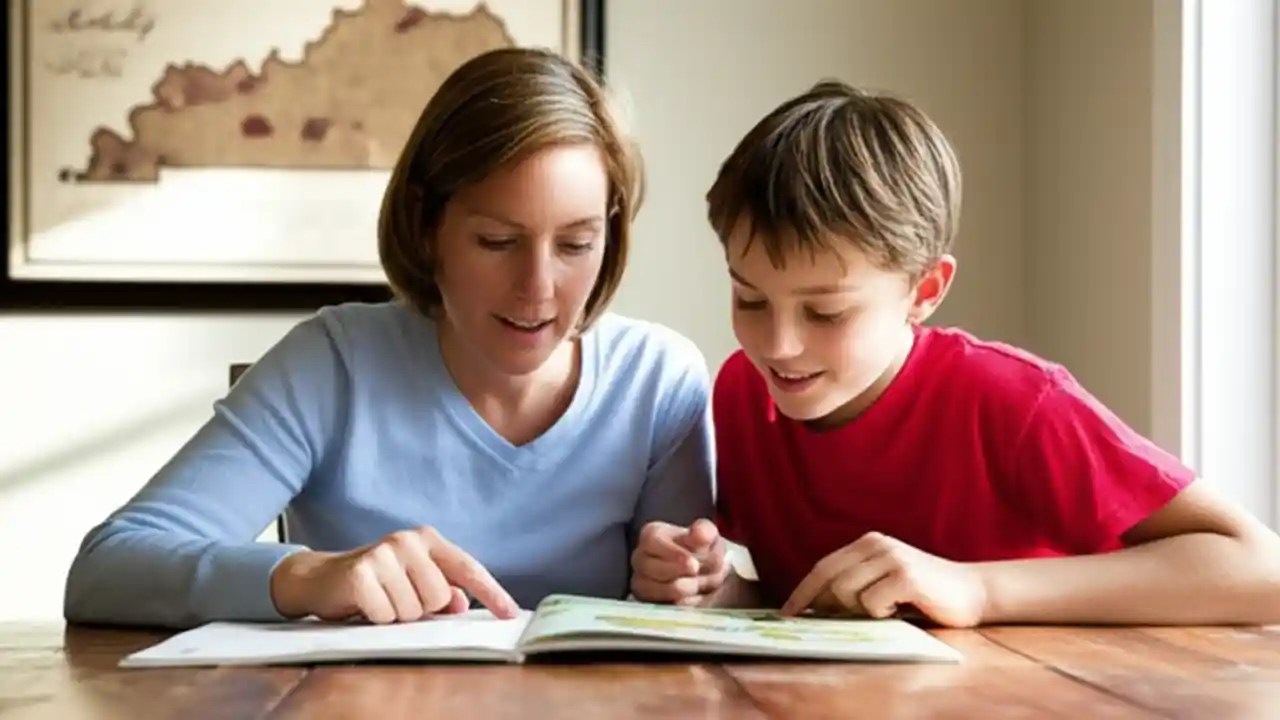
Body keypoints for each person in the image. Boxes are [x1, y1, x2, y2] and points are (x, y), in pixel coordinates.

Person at [64, 47, 714, 629]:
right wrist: (307, 576)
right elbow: (108, 568)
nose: (538, 286)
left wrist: (694, 583)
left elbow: (690, 609)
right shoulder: (333, 364)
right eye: (497, 241)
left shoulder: (657, 381)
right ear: (425, 223)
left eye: (576, 243)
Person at [629, 80, 1280, 626]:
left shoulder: (1013, 403)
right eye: (749, 299)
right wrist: (715, 587)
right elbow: (803, 602)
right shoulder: (744, 394)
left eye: (826, 311)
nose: (779, 344)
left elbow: (1261, 569)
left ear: (926, 289)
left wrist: (977, 589)